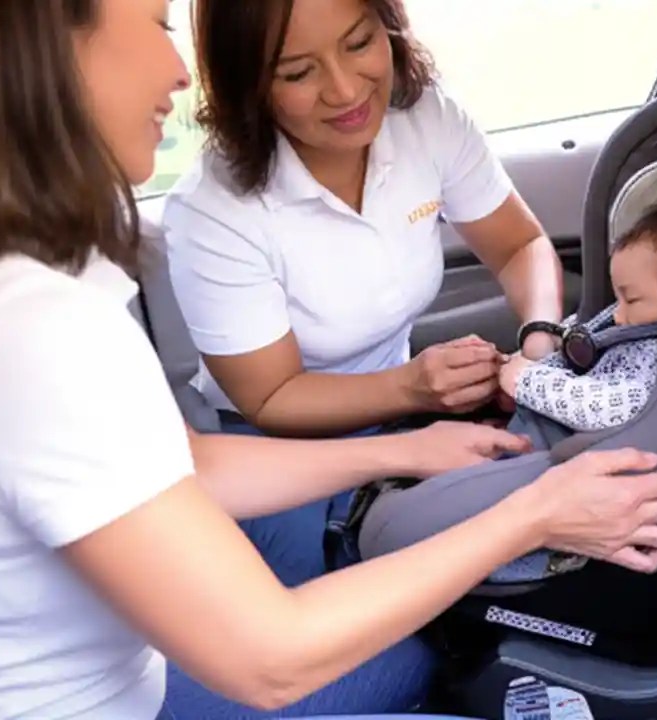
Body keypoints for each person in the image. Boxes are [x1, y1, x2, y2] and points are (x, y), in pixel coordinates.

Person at [0, 2, 657, 719]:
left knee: (439, 641)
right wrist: (536, 512)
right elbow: (271, 662)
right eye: (158, 26)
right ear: (45, 57)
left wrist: (404, 447)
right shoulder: (29, 332)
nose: (173, 68)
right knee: (468, 659)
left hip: (120, 675)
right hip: (109, 697)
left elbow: (181, 465)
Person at [161, 0, 565, 443]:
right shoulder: (211, 210)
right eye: (298, 72)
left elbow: (519, 247)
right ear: (248, 85)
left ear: (388, 25)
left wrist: (539, 343)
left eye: (359, 43)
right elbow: (271, 398)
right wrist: (412, 388)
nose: (345, 90)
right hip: (281, 443)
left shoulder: (427, 119)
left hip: (406, 398)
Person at [488, 195, 657, 583]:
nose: (619, 313)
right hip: (547, 435)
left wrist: (527, 380)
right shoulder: (632, 318)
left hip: (582, 453)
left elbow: (606, 409)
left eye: (632, 298)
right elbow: (591, 331)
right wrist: (538, 354)